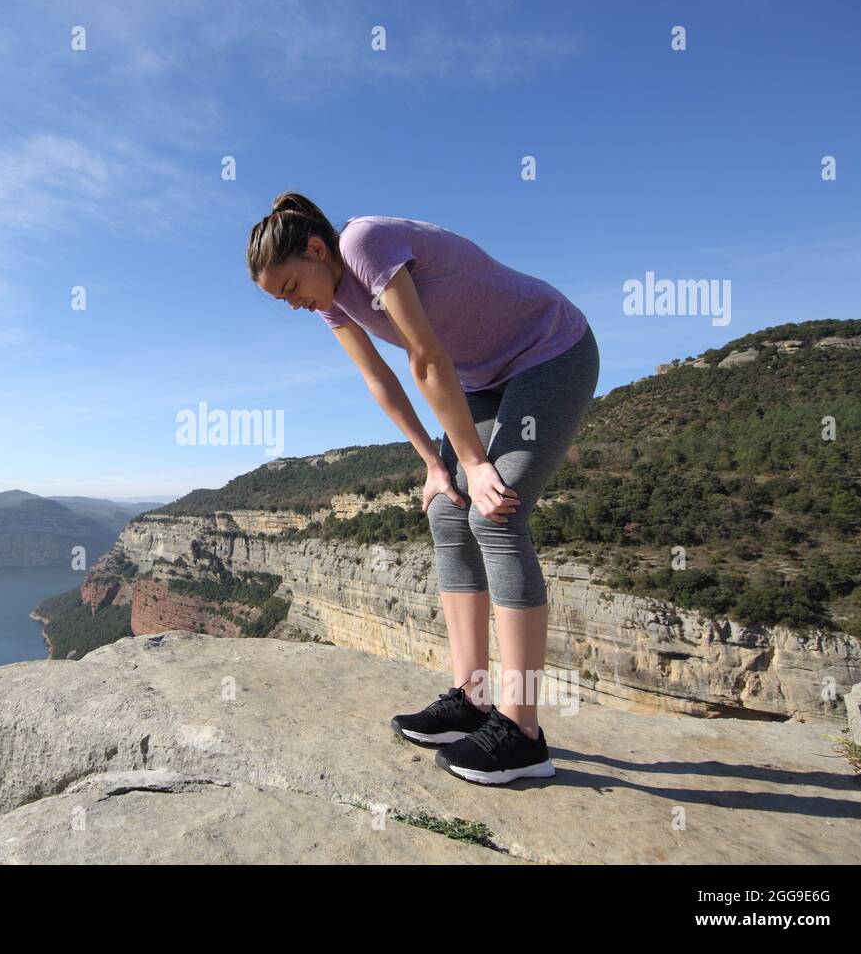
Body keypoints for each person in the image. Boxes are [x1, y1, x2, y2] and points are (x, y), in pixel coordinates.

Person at [246, 192, 600, 785]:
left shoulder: (362, 244)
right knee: (448, 509)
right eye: (279, 299)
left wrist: (474, 460)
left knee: (497, 511)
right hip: (484, 379)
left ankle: (523, 732)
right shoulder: (332, 301)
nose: (292, 305)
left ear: (315, 249)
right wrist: (434, 467)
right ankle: (473, 697)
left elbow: (425, 356)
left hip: (549, 351)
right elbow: (379, 378)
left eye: (288, 288)